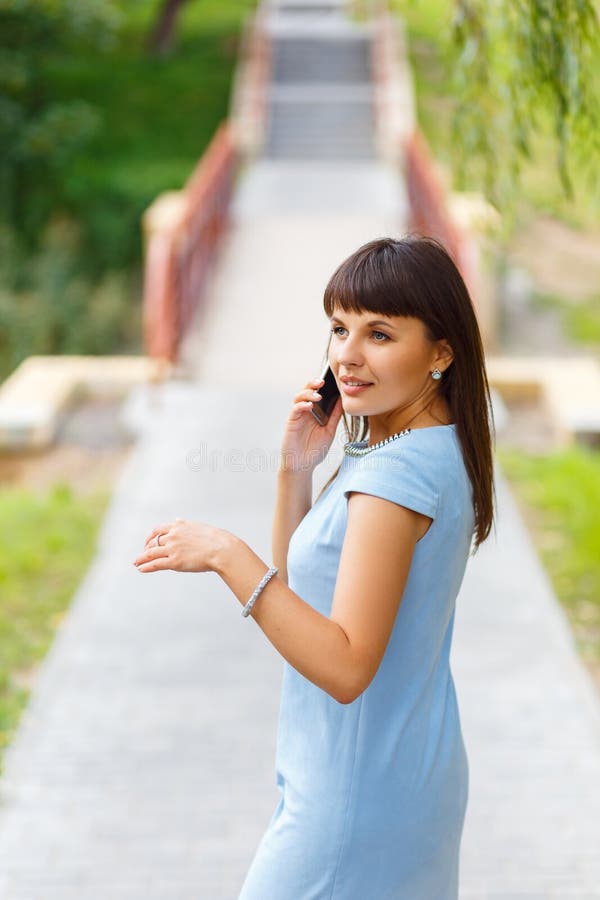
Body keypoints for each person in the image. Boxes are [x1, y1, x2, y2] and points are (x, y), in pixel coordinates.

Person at [133, 235, 496, 899]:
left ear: (441, 351)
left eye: (379, 334)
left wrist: (225, 554)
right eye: (339, 328)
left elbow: (343, 664)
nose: (347, 356)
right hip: (393, 775)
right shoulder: (419, 445)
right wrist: (294, 470)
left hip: (355, 800)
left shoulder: (396, 473)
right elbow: (304, 601)